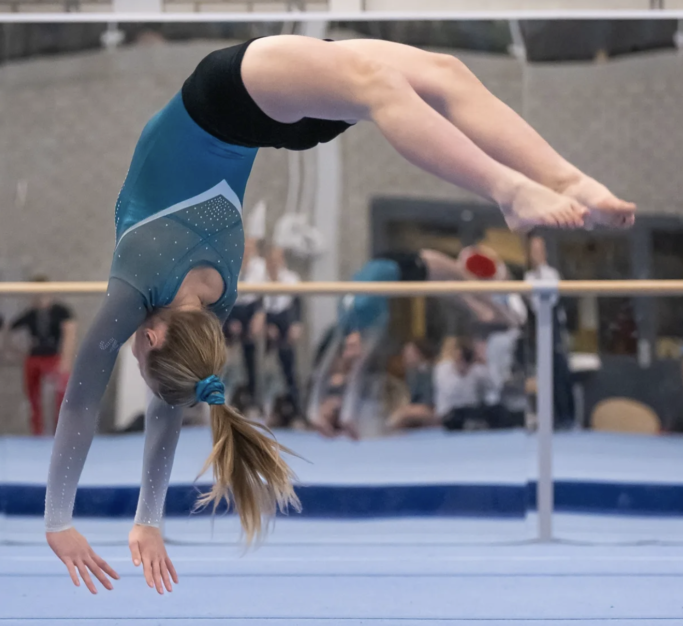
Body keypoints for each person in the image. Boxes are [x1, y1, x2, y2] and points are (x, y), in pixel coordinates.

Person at [44, 35, 635, 595]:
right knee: (392, 86)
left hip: (277, 118)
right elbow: (84, 401)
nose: (130, 346)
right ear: (147, 334)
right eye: (139, 355)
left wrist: (149, 517)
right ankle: (513, 190)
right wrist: (59, 521)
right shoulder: (136, 285)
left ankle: (566, 180)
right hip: (231, 96)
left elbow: (162, 403)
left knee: (441, 75)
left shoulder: (216, 300)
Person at [0, 276, 77, 436]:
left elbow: (70, 333)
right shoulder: (30, 314)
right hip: (34, 358)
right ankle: (37, 433)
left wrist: (66, 360)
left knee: (60, 398)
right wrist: (16, 351)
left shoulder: (61, 311)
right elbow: (8, 330)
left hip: (54, 358)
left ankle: (60, 433)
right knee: (34, 399)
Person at [524, 235, 575, 428]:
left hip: (553, 329)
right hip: (536, 329)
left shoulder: (552, 274)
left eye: (539, 249)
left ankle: (566, 417)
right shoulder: (528, 277)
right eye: (533, 250)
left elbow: (550, 301)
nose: (536, 254)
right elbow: (533, 305)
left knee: (560, 374)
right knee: (542, 376)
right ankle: (547, 417)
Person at [223, 236, 267, 412]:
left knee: (251, 357)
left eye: (250, 248)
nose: (247, 251)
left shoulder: (260, 267)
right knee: (225, 358)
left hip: (251, 309)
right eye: (244, 247)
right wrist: (229, 320)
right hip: (232, 307)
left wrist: (259, 315)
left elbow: (263, 297)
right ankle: (226, 395)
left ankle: (252, 397)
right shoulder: (229, 261)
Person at [263, 246, 304, 427]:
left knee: (290, 370)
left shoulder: (292, 279)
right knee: (268, 371)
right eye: (271, 260)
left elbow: (297, 304)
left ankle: (295, 411)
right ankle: (271, 411)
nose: (275, 263)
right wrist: (266, 324)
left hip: (286, 324)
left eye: (278, 259)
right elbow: (258, 306)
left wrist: (296, 324)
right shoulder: (261, 280)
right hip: (269, 326)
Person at [387, 339, 439, 430]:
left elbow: (428, 401)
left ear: (418, 354)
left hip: (432, 409)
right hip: (417, 408)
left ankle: (386, 428)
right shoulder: (411, 373)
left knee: (403, 414)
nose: (405, 356)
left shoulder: (429, 371)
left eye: (408, 353)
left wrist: (409, 409)